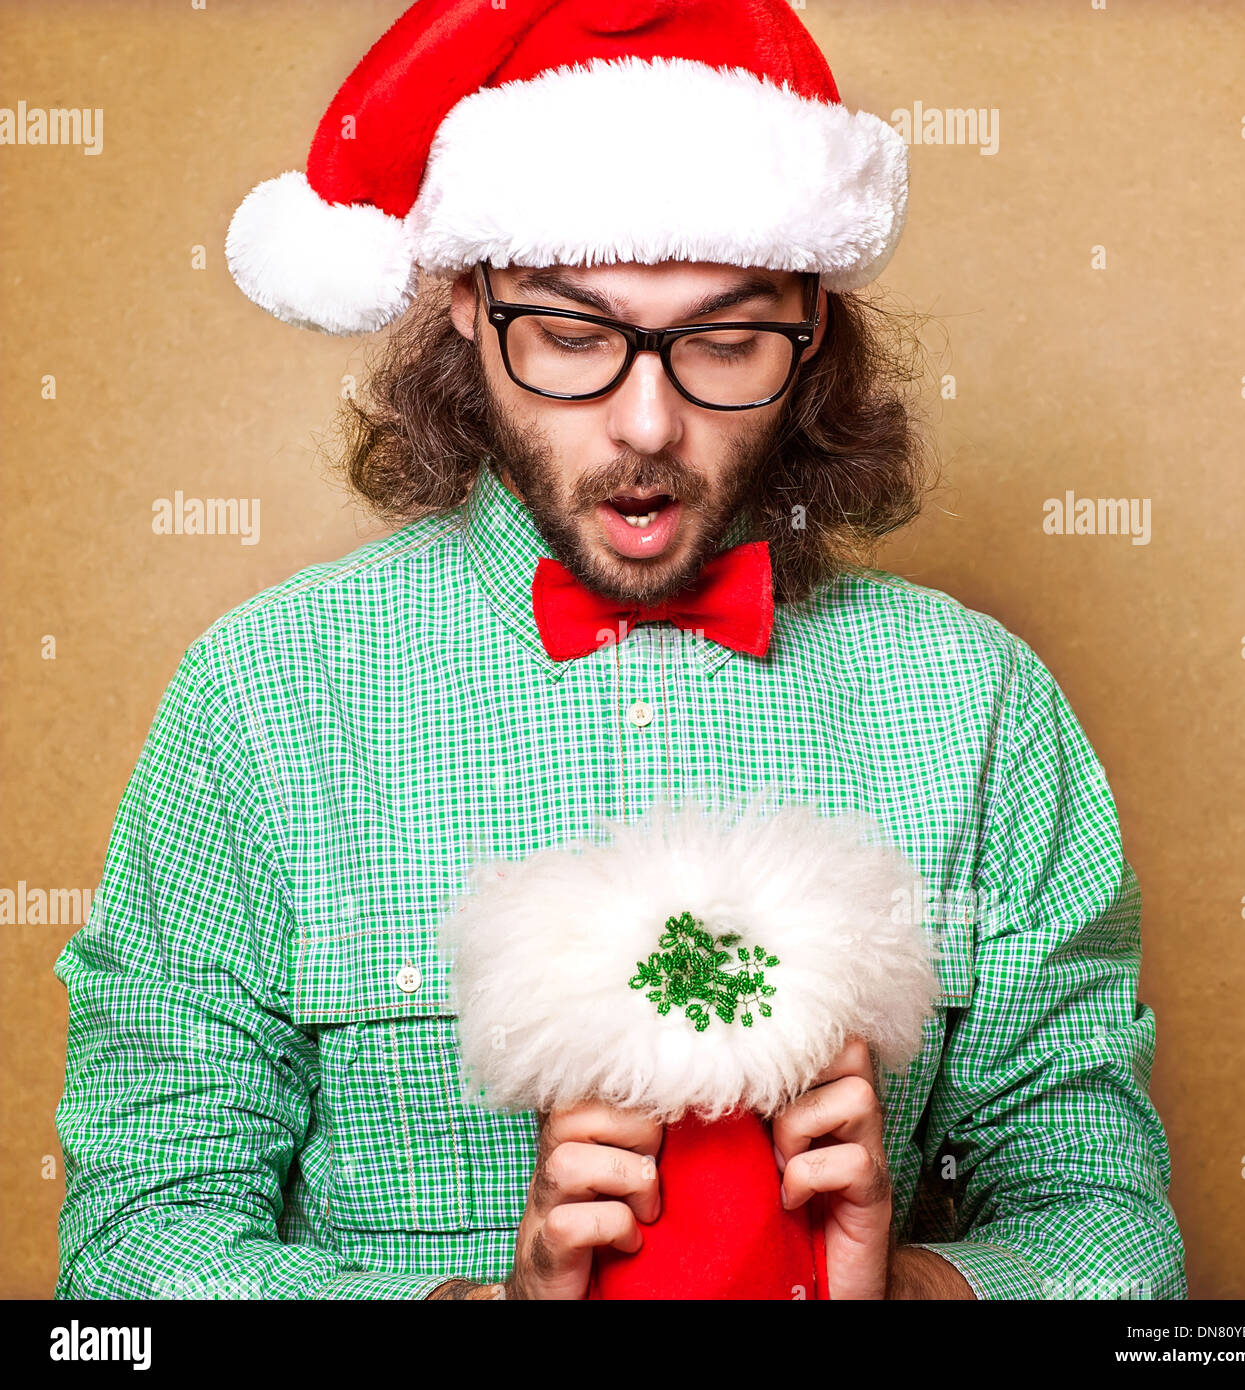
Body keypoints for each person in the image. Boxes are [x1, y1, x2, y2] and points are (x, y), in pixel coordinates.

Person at [53, 0, 1187, 1301]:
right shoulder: (262, 701)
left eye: (724, 337)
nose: (647, 423)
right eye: (577, 336)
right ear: (468, 309)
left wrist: (915, 1292)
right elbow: (128, 1264)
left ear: (814, 324)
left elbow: (1117, 1236)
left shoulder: (979, 705)